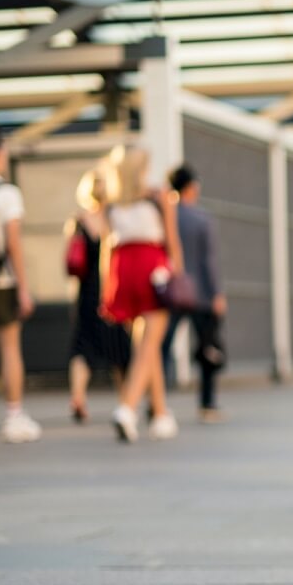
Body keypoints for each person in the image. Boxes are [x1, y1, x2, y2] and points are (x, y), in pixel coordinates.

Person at [89, 146, 183, 442]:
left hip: (123, 270)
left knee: (146, 345)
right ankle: (127, 408)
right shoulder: (159, 197)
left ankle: (161, 413)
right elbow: (172, 242)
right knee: (150, 343)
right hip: (152, 269)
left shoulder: (112, 204)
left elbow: (106, 246)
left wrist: (107, 288)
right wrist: (177, 277)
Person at [0, 128, 41, 443]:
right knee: (9, 348)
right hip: (1, 281)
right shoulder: (7, 194)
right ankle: (14, 416)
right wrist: (24, 287)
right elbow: (13, 246)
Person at [162, 164, 226, 423]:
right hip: (199, 293)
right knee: (207, 348)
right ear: (190, 187)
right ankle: (207, 404)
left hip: (170, 292)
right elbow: (208, 261)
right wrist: (217, 294)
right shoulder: (202, 219)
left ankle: (157, 401)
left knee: (161, 347)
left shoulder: (165, 216)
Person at [66, 169, 131, 422]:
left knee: (83, 345)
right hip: (109, 290)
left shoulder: (78, 221)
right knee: (119, 347)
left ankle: (78, 396)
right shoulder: (114, 218)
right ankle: (126, 401)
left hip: (85, 292)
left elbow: (69, 262)